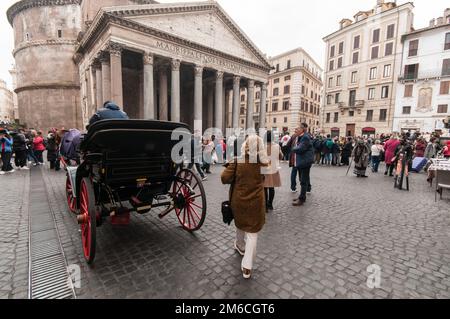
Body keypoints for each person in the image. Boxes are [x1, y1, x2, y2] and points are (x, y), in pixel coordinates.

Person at [221, 134, 268, 279]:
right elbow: (263, 179)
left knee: (241, 222)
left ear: (245, 145)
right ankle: (247, 266)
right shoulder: (264, 163)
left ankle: (240, 246)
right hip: (256, 201)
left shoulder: (237, 161)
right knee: (252, 233)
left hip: (239, 200)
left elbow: (224, 178)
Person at [292, 123, 315, 206]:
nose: (295, 130)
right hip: (302, 161)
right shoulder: (301, 136)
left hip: (305, 161)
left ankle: (302, 199)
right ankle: (301, 196)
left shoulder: (305, 137)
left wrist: (293, 148)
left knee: (303, 181)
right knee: (302, 180)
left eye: (297, 129)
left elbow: (300, 148)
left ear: (302, 129)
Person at [263, 131, 282, 211]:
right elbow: (281, 156)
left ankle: (265, 205)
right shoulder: (277, 146)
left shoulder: (262, 146)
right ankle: (270, 204)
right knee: (272, 187)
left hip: (264, 168)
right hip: (274, 167)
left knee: (264, 187)